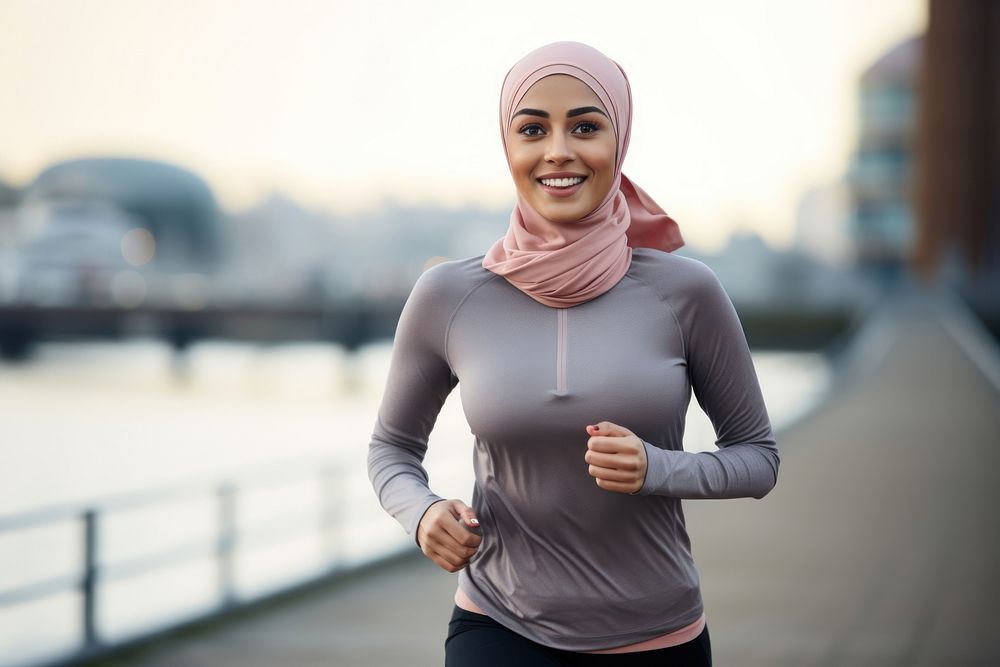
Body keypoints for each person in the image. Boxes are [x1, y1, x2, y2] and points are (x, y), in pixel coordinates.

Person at [367, 41, 779, 666]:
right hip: (498, 626)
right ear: (509, 148)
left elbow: (759, 459)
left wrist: (657, 469)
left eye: (585, 126)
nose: (558, 149)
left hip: (658, 636)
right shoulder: (449, 295)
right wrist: (421, 514)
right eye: (532, 129)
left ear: (620, 142)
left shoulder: (686, 291)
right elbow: (390, 450)